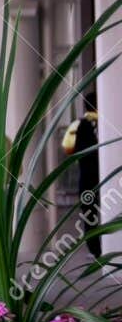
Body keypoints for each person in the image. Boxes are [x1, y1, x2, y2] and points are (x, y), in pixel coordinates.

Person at [62, 102, 101, 259]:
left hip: (88, 176)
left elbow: (68, 148)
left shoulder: (77, 125)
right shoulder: (111, 118)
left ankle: (95, 250)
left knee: (90, 212)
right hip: (110, 175)